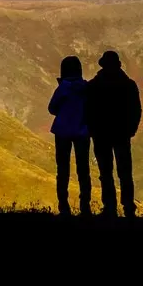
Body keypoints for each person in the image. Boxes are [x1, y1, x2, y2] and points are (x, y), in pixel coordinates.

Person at [85, 51, 142, 218]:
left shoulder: (93, 86)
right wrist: (131, 129)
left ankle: (110, 207)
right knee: (125, 172)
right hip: (122, 134)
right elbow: (136, 110)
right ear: (118, 64)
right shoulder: (129, 85)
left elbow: (88, 110)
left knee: (106, 172)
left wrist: (92, 129)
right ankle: (128, 208)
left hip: (101, 134)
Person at [47, 56, 92, 216]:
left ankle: (64, 207)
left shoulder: (63, 88)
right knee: (83, 169)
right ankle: (85, 206)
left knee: (63, 169)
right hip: (82, 131)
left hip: (62, 132)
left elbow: (52, 108)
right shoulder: (86, 88)